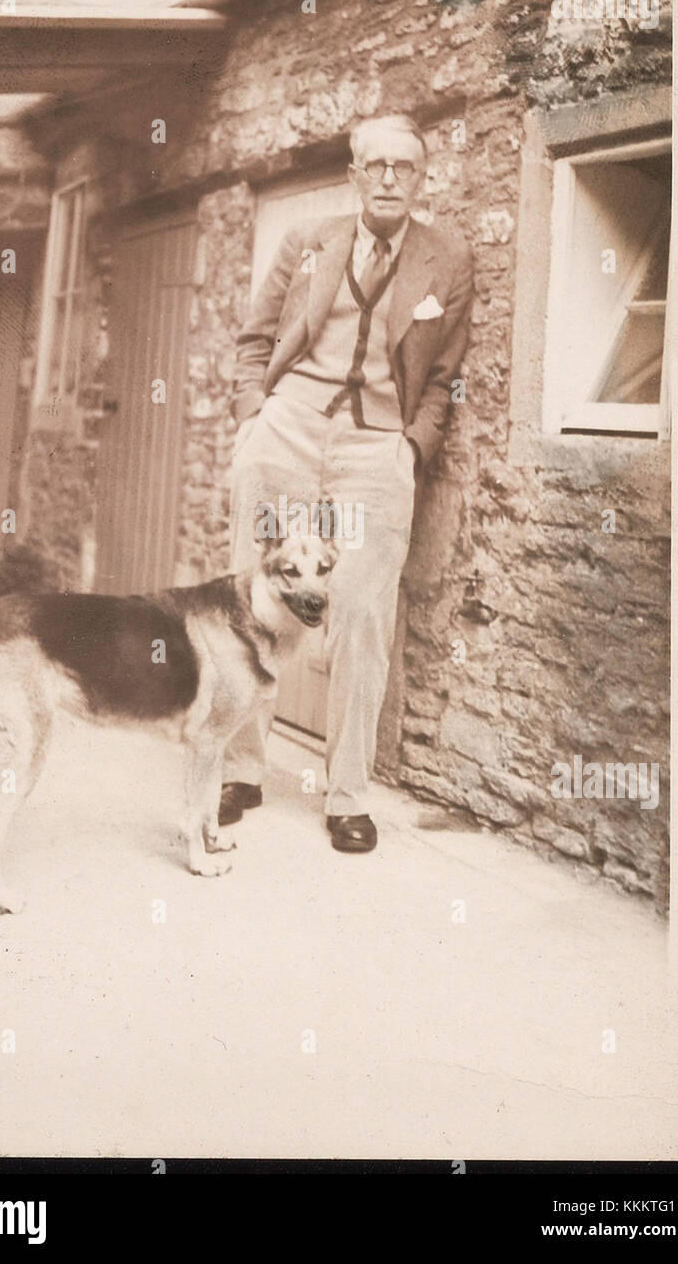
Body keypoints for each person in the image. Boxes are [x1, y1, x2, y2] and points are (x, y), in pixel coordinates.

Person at [221, 113, 474, 852]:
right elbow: (254, 338)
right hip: (289, 428)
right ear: (354, 174)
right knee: (254, 594)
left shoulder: (446, 258)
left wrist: (411, 446)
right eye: (376, 166)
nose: (390, 179)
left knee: (361, 611)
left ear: (421, 178)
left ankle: (347, 795)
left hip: (374, 449)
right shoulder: (307, 242)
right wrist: (251, 417)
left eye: (405, 167)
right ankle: (240, 770)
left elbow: (445, 372)